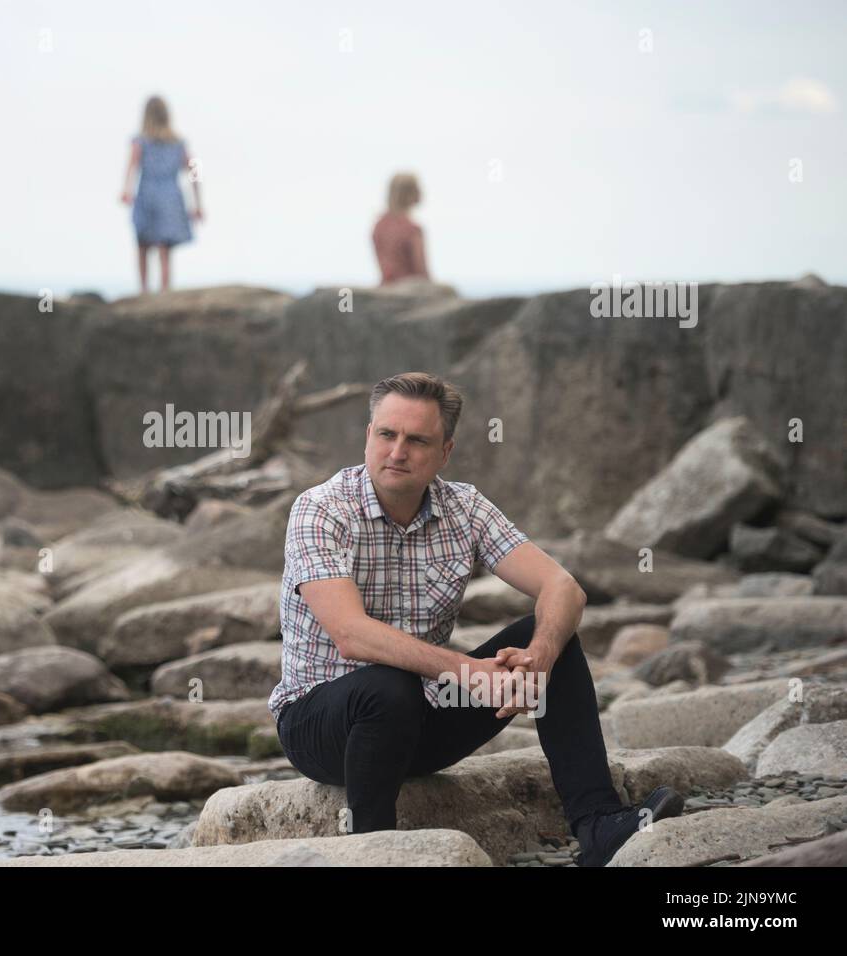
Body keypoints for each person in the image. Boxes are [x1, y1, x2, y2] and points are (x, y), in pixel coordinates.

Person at [269, 371, 685, 866]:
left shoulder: (464, 507)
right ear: (368, 436)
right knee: (386, 686)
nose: (397, 452)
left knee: (552, 637)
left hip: (421, 720)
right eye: (386, 434)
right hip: (320, 726)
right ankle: (369, 848)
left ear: (444, 451)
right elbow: (350, 635)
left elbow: (562, 587)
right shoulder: (321, 510)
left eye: (416, 440)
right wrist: (470, 673)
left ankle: (599, 825)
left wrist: (539, 660)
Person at [120, 95, 203, 293]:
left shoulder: (140, 141)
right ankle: (165, 292)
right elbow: (195, 169)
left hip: (147, 194)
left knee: (143, 246)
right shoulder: (178, 143)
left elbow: (131, 166)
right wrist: (198, 202)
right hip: (171, 197)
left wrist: (126, 190)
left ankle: (144, 291)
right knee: (164, 249)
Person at [372, 172, 429, 284]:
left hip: (386, 286)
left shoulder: (379, 225)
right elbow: (421, 270)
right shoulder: (412, 229)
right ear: (409, 193)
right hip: (411, 289)